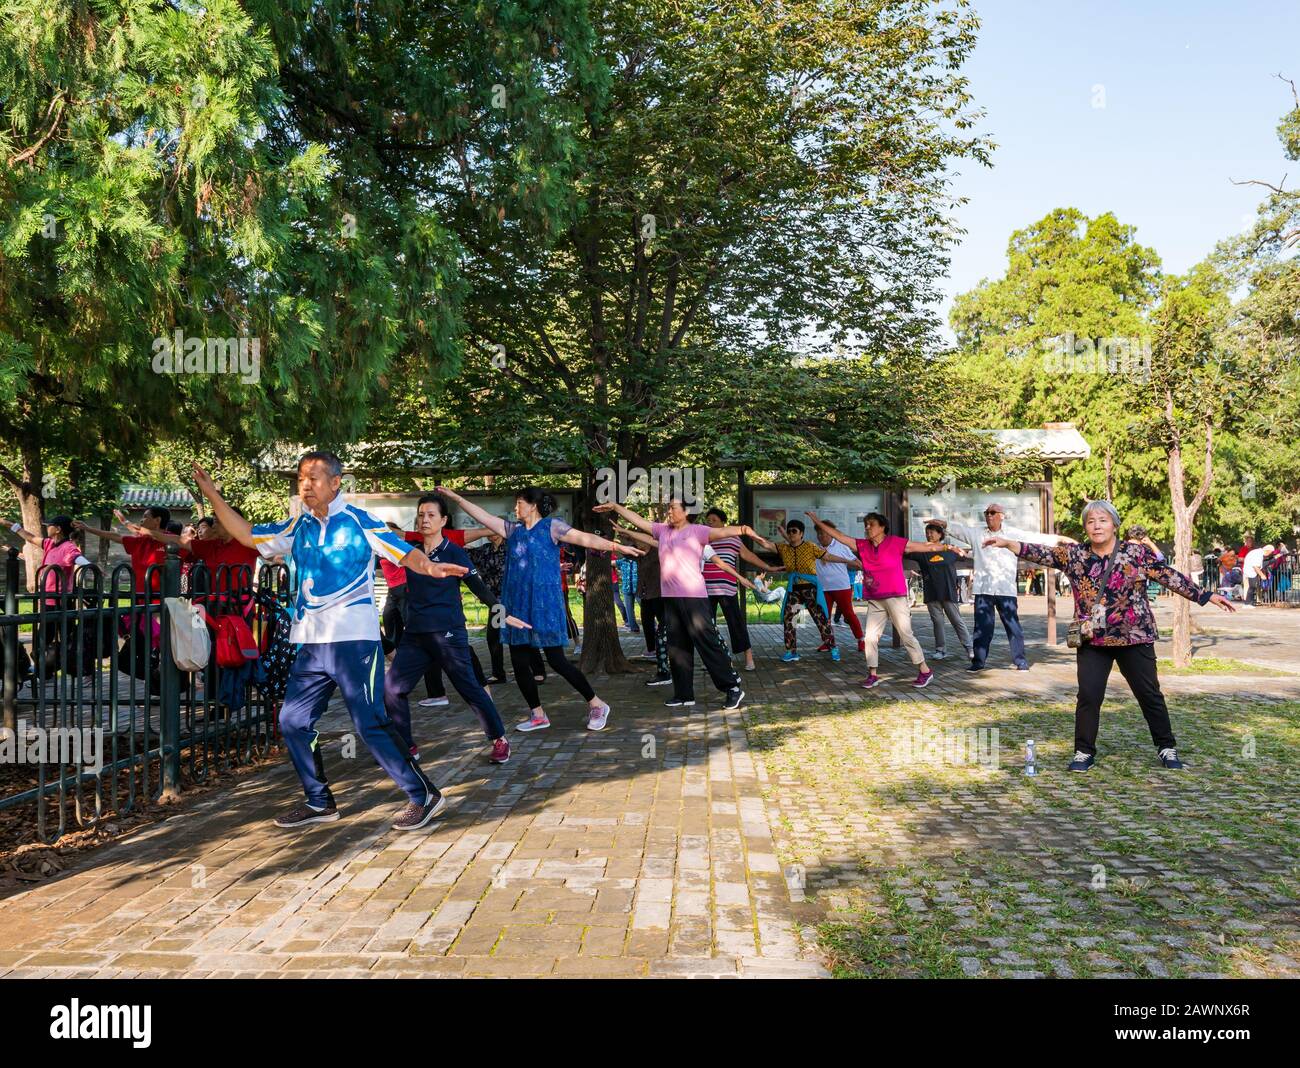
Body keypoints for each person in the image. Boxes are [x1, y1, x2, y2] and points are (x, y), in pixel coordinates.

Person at [192, 452, 469, 831]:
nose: (305, 486)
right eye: (301, 480)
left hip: (354, 641)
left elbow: (405, 554)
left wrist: (431, 567)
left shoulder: (359, 521)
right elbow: (245, 534)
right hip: (311, 643)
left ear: (336, 482)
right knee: (292, 720)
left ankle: (423, 795)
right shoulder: (297, 527)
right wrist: (212, 495)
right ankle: (319, 801)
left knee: (369, 722)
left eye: (314, 478)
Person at [983, 500, 1235, 771]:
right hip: (1093, 640)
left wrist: (1206, 595)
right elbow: (1042, 553)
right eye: (1091, 521)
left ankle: (1167, 748)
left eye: (1102, 520)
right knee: (1089, 696)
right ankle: (1083, 752)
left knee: (1149, 694)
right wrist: (1009, 544)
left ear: (1114, 525)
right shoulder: (1076, 555)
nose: (1096, 526)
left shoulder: (1135, 554)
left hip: (1134, 636)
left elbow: (1168, 576)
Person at [437, 485, 640, 732]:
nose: (515, 507)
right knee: (520, 662)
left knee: (557, 661)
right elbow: (483, 516)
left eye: (519, 502)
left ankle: (597, 704)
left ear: (533, 504)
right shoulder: (513, 531)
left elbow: (585, 538)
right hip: (516, 605)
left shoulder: (552, 527)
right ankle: (537, 714)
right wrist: (455, 497)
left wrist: (617, 547)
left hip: (545, 605)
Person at [383, 493, 530, 767]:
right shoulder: (409, 548)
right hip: (416, 634)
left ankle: (499, 738)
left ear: (443, 521)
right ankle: (407, 747)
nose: (425, 520)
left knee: (469, 688)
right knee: (392, 689)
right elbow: (382, 537)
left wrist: (502, 613)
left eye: (431, 515)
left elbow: (479, 588)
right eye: (421, 515)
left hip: (448, 633)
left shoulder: (454, 552)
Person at [595, 498, 766, 710]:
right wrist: (616, 507)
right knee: (677, 647)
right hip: (671, 598)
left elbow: (725, 532)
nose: (669, 511)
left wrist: (745, 530)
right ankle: (684, 694)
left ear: (685, 512)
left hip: (694, 597)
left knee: (707, 643)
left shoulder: (698, 531)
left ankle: (732, 688)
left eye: (673, 508)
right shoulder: (663, 531)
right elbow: (639, 522)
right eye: (668, 507)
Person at [806, 511, 964, 689]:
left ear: (882, 527)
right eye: (865, 524)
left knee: (906, 636)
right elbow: (840, 536)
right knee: (871, 638)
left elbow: (925, 546)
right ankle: (872, 674)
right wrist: (817, 521)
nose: (867, 527)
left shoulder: (895, 542)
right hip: (875, 598)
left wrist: (947, 548)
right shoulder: (863, 545)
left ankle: (925, 671)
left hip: (896, 597)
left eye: (871, 524)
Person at [937, 502, 1073, 672]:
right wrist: (943, 524)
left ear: (1002, 515)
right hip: (983, 589)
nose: (989, 516)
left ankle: (1020, 661)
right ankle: (978, 662)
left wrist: (1059, 540)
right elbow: (959, 530)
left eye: (993, 512)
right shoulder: (977, 534)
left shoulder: (1012, 533)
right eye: (986, 513)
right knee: (982, 628)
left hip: (1005, 589)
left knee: (1013, 626)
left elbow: (1034, 538)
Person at [702, 507, 770, 671]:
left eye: (714, 520)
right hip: (705, 590)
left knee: (736, 624)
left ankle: (749, 658)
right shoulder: (703, 539)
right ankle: (715, 661)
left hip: (727, 589)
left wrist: (769, 567)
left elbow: (749, 556)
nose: (710, 523)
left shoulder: (733, 538)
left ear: (723, 522)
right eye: (708, 521)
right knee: (706, 627)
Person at [766, 519, 837, 662]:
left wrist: (850, 561)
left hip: (810, 589)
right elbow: (765, 544)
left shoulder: (810, 546)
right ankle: (791, 652)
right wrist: (749, 533)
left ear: (801, 534)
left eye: (794, 531)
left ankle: (833, 647)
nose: (791, 533)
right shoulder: (784, 549)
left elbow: (828, 556)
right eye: (789, 531)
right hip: (795, 591)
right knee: (790, 619)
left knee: (820, 619)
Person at [904, 520, 972, 661]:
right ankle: (940, 650)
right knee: (937, 622)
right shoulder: (921, 552)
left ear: (940, 534)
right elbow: (905, 551)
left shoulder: (950, 550)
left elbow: (965, 554)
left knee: (956, 620)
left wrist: (955, 549)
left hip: (948, 591)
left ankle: (969, 647)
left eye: (932, 532)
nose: (929, 535)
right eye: (927, 532)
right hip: (931, 592)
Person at [814, 521, 865, 654]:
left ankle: (861, 639)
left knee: (848, 614)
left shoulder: (841, 546)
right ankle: (828, 642)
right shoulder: (813, 547)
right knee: (824, 617)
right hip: (823, 588)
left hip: (841, 586)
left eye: (824, 533)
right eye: (819, 533)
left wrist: (864, 569)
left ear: (830, 533)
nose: (821, 536)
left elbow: (855, 562)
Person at [1242, 542, 1273, 607]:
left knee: (1252, 587)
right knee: (1252, 586)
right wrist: (1262, 575)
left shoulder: (1258, 552)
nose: (1269, 554)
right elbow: (1255, 567)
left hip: (1250, 570)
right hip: (1250, 571)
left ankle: (1249, 602)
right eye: (1270, 552)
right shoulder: (1258, 554)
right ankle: (1247, 603)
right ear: (1268, 551)